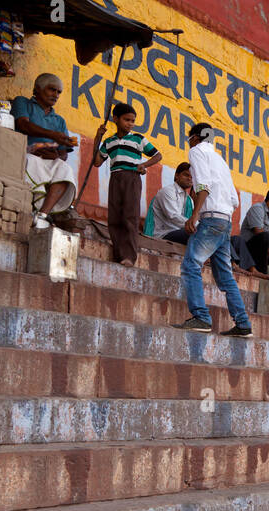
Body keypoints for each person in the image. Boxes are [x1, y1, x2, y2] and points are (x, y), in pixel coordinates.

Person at [171, 122, 253, 337]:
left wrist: (195, 214)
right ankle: (243, 323)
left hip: (210, 219)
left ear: (196, 138)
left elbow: (203, 186)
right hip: (225, 220)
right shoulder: (220, 160)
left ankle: (201, 317)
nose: (189, 143)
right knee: (225, 276)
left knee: (191, 264)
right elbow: (235, 200)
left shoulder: (197, 151)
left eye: (190, 139)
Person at [12, 73, 88, 232]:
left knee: (64, 169)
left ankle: (42, 215)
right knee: (32, 162)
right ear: (38, 89)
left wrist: (57, 155)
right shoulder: (23, 103)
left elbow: (64, 154)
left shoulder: (59, 120)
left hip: (48, 159)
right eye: (52, 90)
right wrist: (53, 135)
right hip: (25, 154)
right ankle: (33, 209)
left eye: (59, 92)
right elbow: (23, 125)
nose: (56, 95)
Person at [90, 101, 163, 263]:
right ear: (115, 119)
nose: (130, 124)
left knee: (130, 215)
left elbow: (157, 155)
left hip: (132, 178)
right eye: (126, 120)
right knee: (115, 217)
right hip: (115, 178)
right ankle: (118, 254)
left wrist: (143, 165)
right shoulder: (109, 141)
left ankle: (129, 256)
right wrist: (98, 138)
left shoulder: (138, 139)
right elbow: (96, 162)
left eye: (132, 121)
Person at [144, 162, 193, 245]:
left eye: (192, 177)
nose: (189, 179)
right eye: (186, 175)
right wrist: (196, 226)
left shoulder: (189, 200)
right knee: (197, 235)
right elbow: (173, 216)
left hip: (178, 232)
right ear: (176, 176)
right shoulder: (167, 191)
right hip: (162, 234)